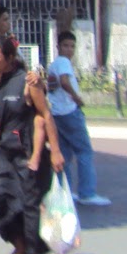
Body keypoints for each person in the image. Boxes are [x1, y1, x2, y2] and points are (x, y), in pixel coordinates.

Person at [0, 33, 64, 254]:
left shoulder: (28, 82)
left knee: (29, 202)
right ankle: (18, 244)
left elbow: (45, 115)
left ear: (10, 57)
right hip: (2, 150)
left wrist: (55, 152)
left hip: (27, 151)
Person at [47, 30, 109, 207]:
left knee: (64, 153)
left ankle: (63, 190)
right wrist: (76, 97)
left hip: (57, 114)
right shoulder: (63, 62)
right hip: (68, 112)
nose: (69, 49)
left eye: (72, 46)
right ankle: (87, 192)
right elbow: (65, 82)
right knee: (84, 152)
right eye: (66, 45)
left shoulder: (54, 64)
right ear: (58, 46)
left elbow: (52, 85)